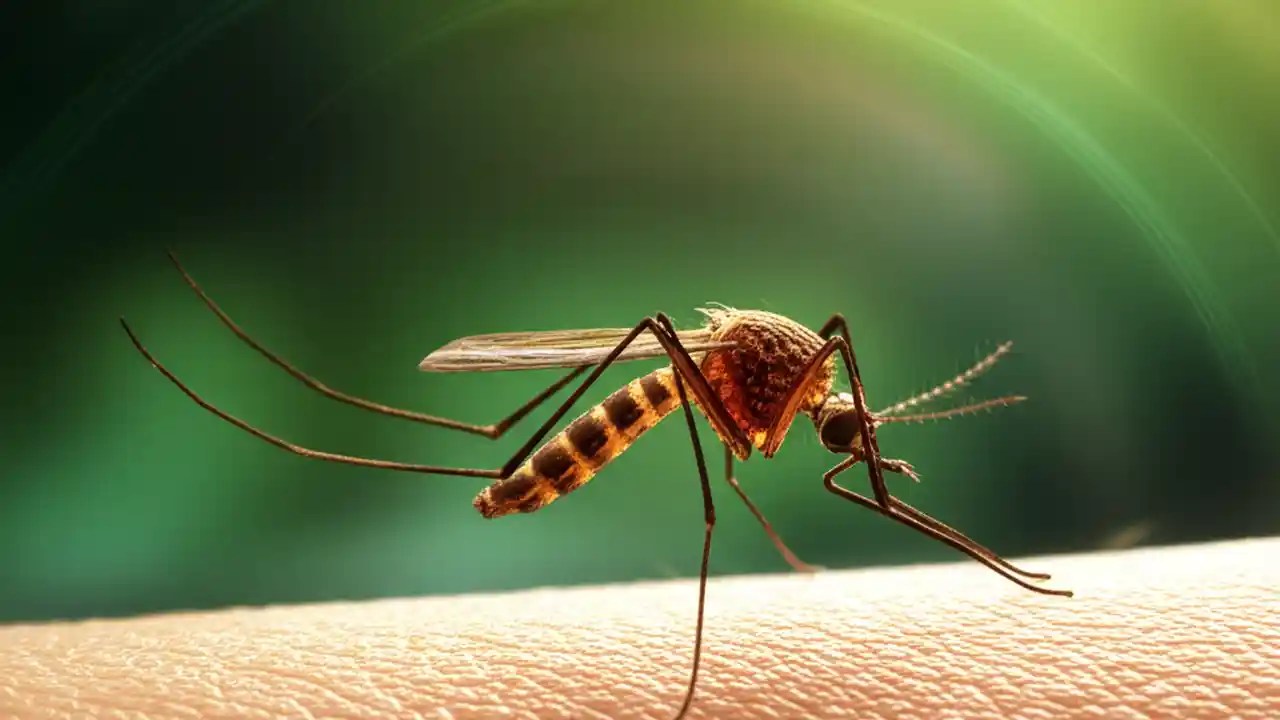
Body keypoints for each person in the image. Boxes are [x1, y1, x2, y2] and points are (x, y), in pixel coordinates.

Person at [2, 538, 1275, 718]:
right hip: (668, 375)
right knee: (710, 487)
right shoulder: (789, 380)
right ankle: (485, 446)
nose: (855, 446)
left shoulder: (813, 380)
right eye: (853, 429)